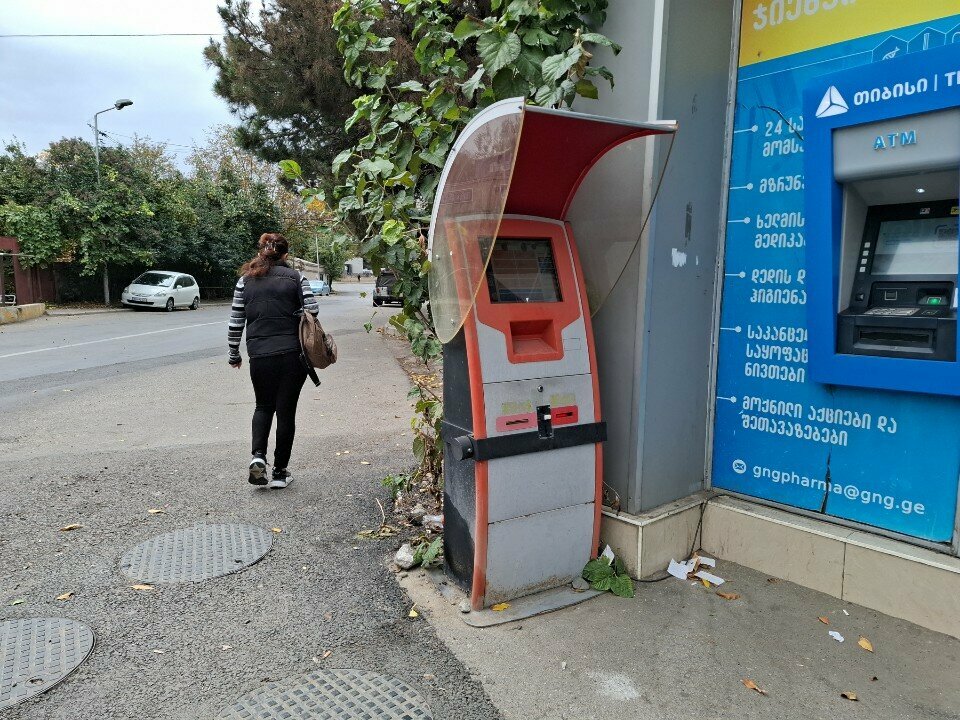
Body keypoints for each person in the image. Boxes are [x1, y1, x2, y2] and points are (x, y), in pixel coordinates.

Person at [228, 233, 319, 489]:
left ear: (261, 252)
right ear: (285, 255)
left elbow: (236, 321)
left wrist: (234, 353)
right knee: (286, 410)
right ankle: (280, 472)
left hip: (260, 354)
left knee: (263, 406)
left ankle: (258, 456)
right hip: (293, 354)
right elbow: (312, 310)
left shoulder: (245, 281)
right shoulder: (296, 278)